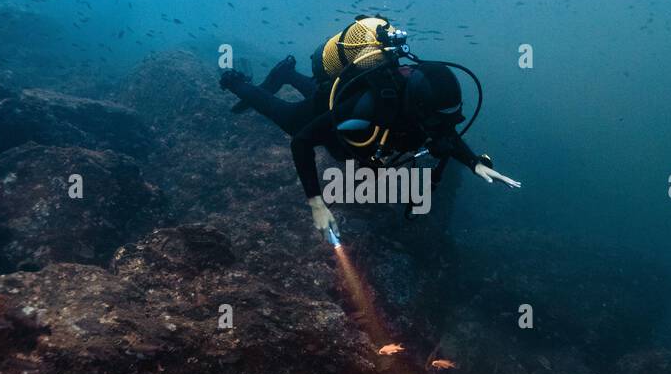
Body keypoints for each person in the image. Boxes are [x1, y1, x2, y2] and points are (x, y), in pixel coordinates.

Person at [220, 15, 520, 236]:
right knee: (287, 117)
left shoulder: (422, 106)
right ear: (418, 106)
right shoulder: (370, 106)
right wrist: (316, 203)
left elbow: (445, 132)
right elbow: (301, 141)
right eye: (435, 118)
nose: (441, 126)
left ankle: (288, 73)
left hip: (340, 100)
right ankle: (234, 81)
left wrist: (473, 163)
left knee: (323, 98)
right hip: (338, 106)